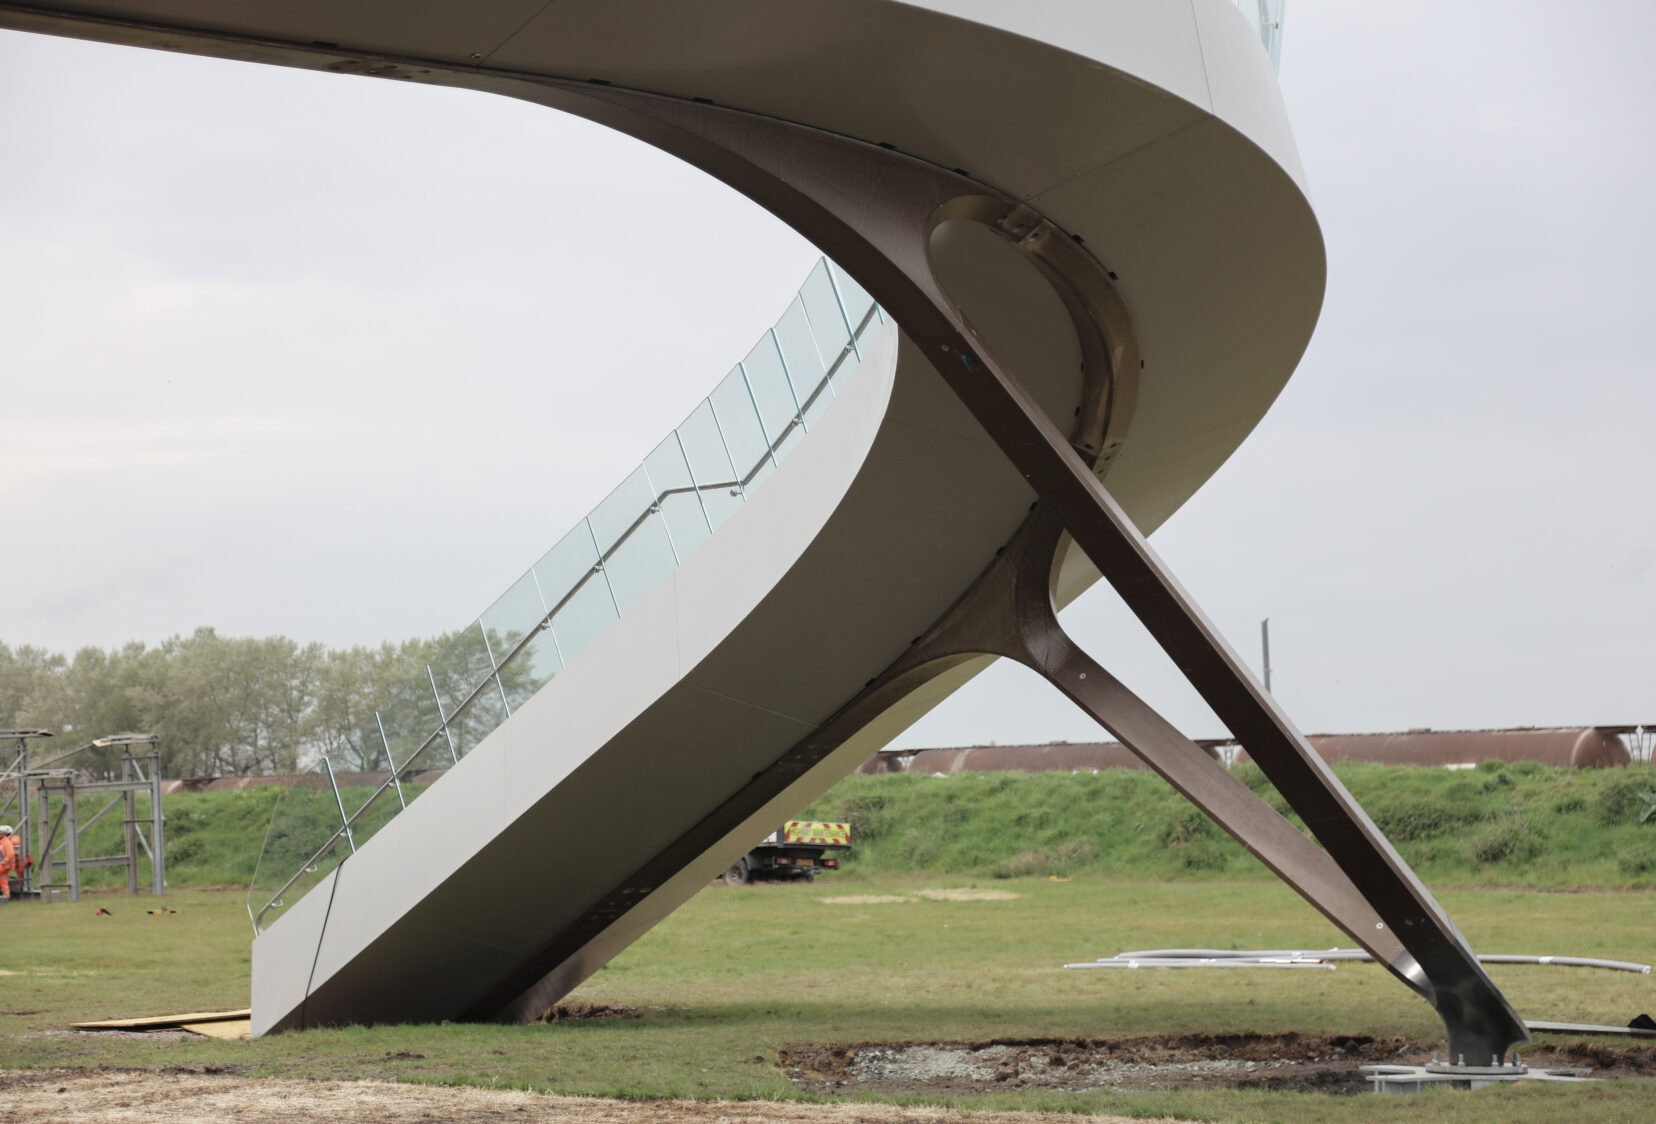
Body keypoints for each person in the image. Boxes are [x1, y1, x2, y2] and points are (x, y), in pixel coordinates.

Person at [0, 827, 14, 902]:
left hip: (4, 865)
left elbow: (10, 855)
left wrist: (2, 863)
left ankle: (6, 896)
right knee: (3, 880)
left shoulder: (6, 843)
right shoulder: (2, 842)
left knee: (3, 880)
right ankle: (6, 896)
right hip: (3, 865)